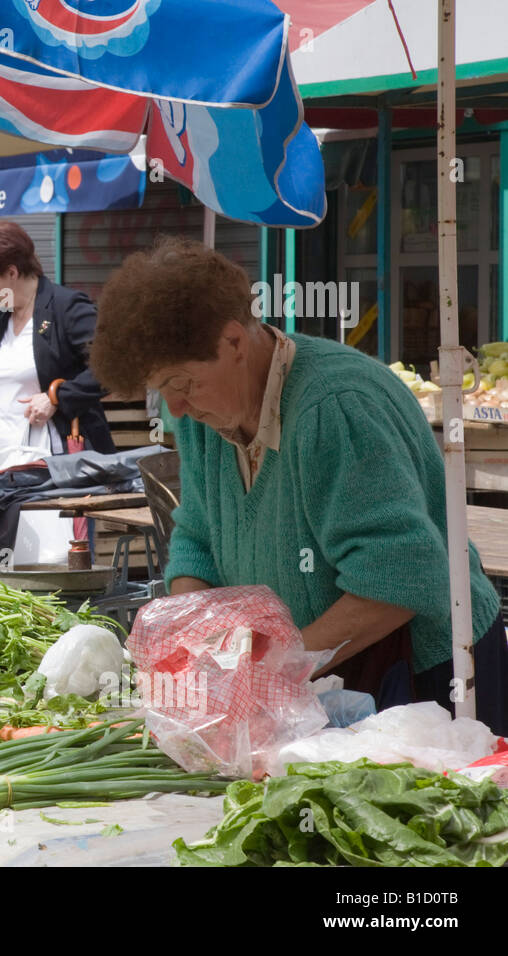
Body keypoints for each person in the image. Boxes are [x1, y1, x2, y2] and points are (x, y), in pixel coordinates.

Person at [89, 236, 508, 735]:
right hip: (318, 681)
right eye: (163, 392)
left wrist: (271, 670)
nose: (176, 409)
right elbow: (197, 539)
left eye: (182, 384)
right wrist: (195, 648)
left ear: (233, 343)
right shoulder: (204, 420)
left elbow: (398, 578)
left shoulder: (334, 407)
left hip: (428, 677)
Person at [0, 221, 114, 457]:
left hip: (60, 468)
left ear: (12, 273)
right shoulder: (0, 320)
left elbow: (111, 365)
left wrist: (56, 398)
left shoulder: (66, 307)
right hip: (5, 467)